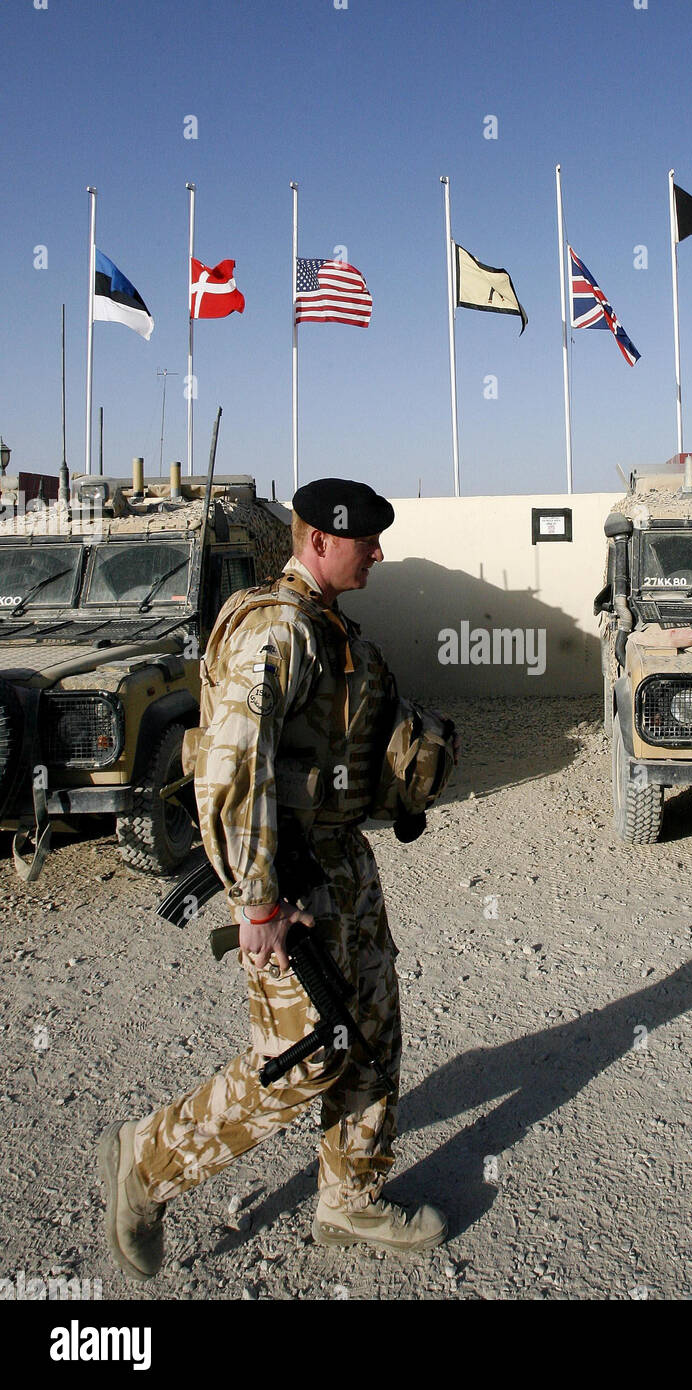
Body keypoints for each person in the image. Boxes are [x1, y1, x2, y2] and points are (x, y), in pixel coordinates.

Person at [99, 478, 451, 1281]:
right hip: (287, 875)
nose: (378, 552)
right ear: (320, 541)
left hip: (340, 864)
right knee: (302, 1055)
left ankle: (351, 1197)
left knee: (369, 1029)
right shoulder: (276, 628)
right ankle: (147, 1162)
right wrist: (255, 898)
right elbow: (229, 768)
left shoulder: (328, 627)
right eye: (366, 541)